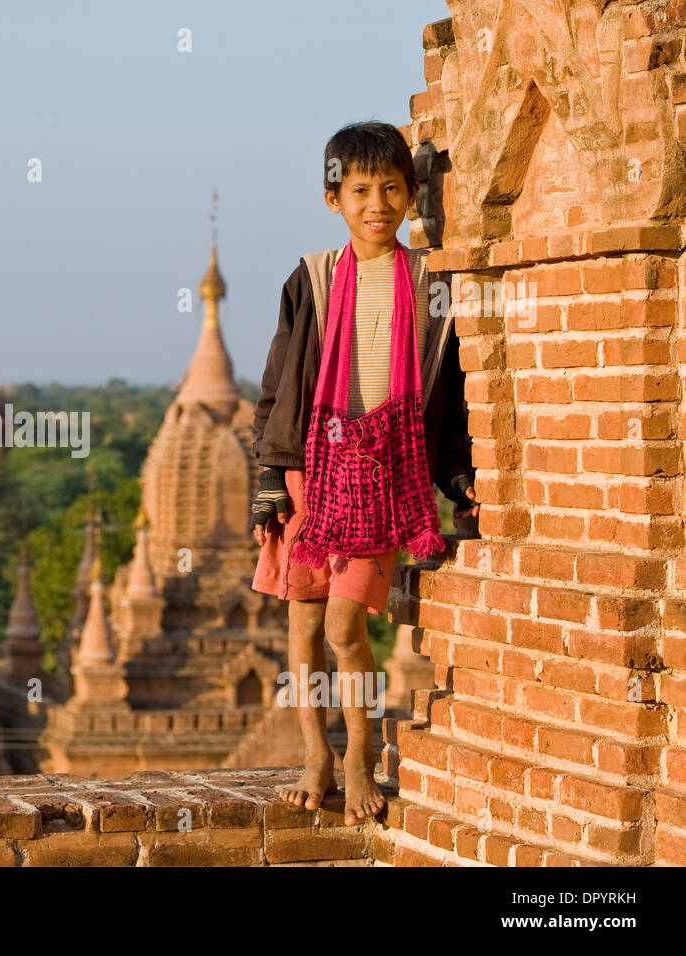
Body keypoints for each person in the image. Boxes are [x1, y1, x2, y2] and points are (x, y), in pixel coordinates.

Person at [249, 121, 478, 826]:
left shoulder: (430, 286)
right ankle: (314, 753)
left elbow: (452, 394)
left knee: (348, 628)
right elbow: (276, 385)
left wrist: (460, 475)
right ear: (333, 200)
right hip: (310, 473)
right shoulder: (311, 279)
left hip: (386, 473)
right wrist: (268, 479)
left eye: (391, 188)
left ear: (411, 196)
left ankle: (359, 758)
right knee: (302, 629)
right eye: (359, 190)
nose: (376, 203)